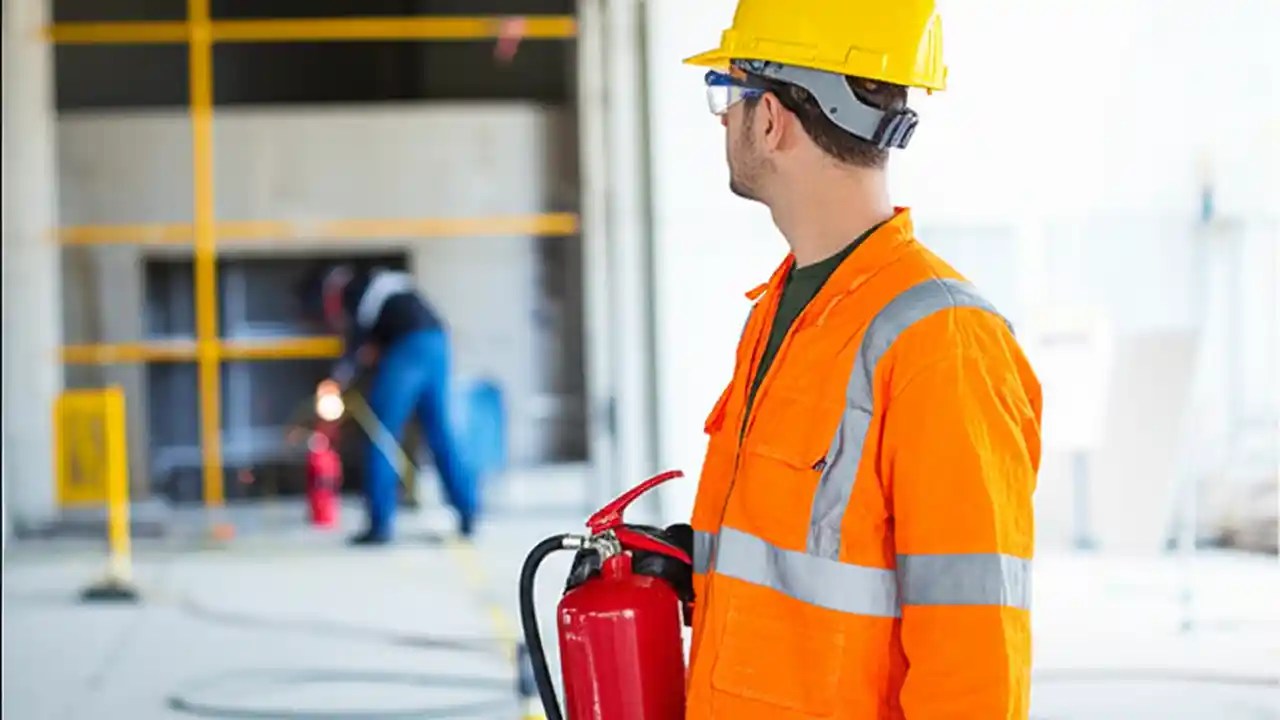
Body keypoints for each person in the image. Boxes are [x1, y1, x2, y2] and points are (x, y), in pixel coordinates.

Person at [680, 2, 1043, 718]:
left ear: (771, 118)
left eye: (728, 93)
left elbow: (976, 662)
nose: (723, 121)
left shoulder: (943, 341)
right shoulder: (781, 310)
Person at [300, 263, 478, 544]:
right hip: (437, 343)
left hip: (411, 348)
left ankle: (380, 524)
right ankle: (468, 511)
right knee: (440, 432)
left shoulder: (353, 291)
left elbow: (355, 349)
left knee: (380, 433)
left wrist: (333, 384)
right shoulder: (383, 284)